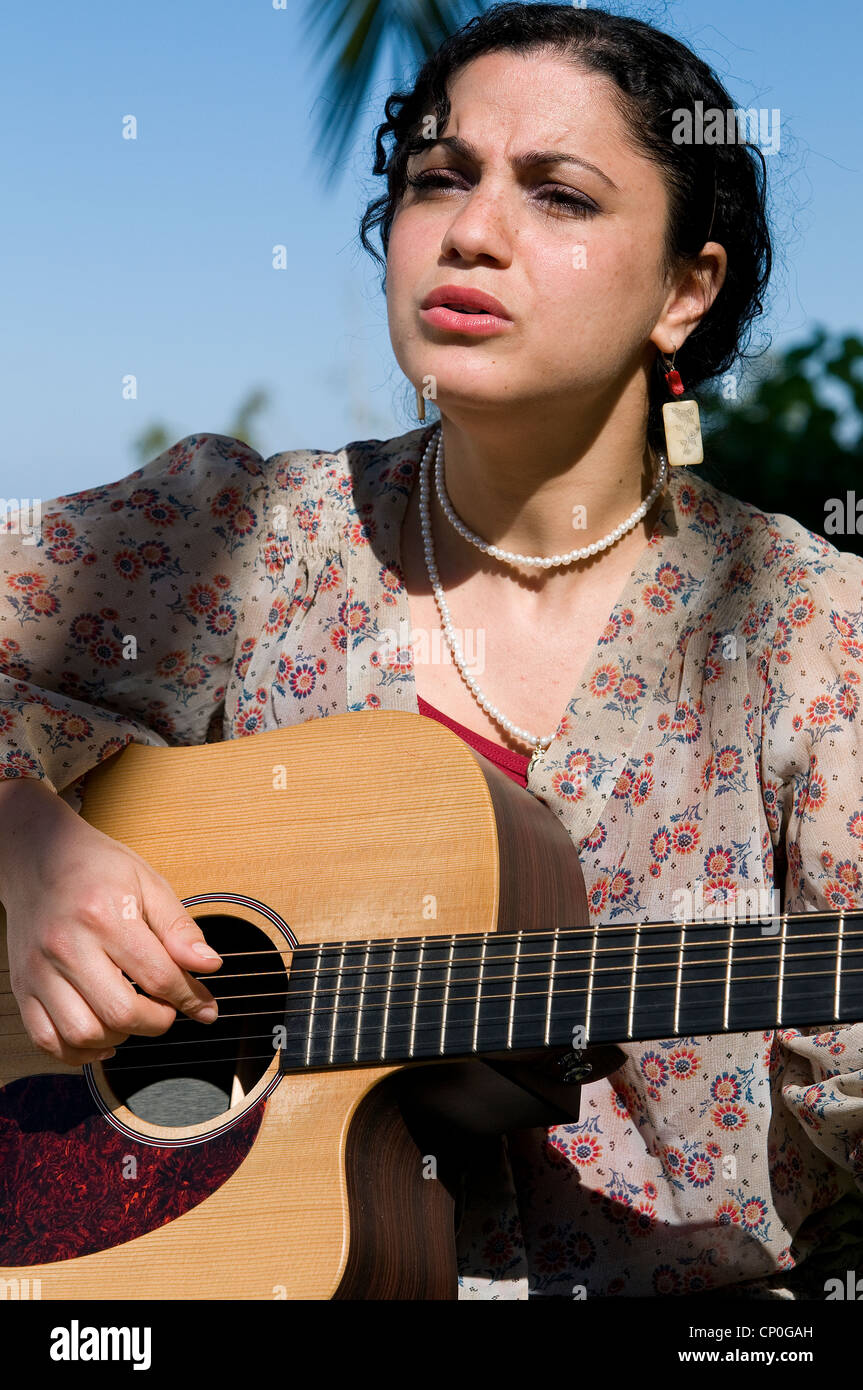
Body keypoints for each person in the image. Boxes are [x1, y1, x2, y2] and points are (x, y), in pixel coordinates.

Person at [1, 2, 862, 1299]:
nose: (469, 230)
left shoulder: (814, 634)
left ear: (688, 289)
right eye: (437, 178)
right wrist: (28, 844)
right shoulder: (243, 533)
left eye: (560, 196)